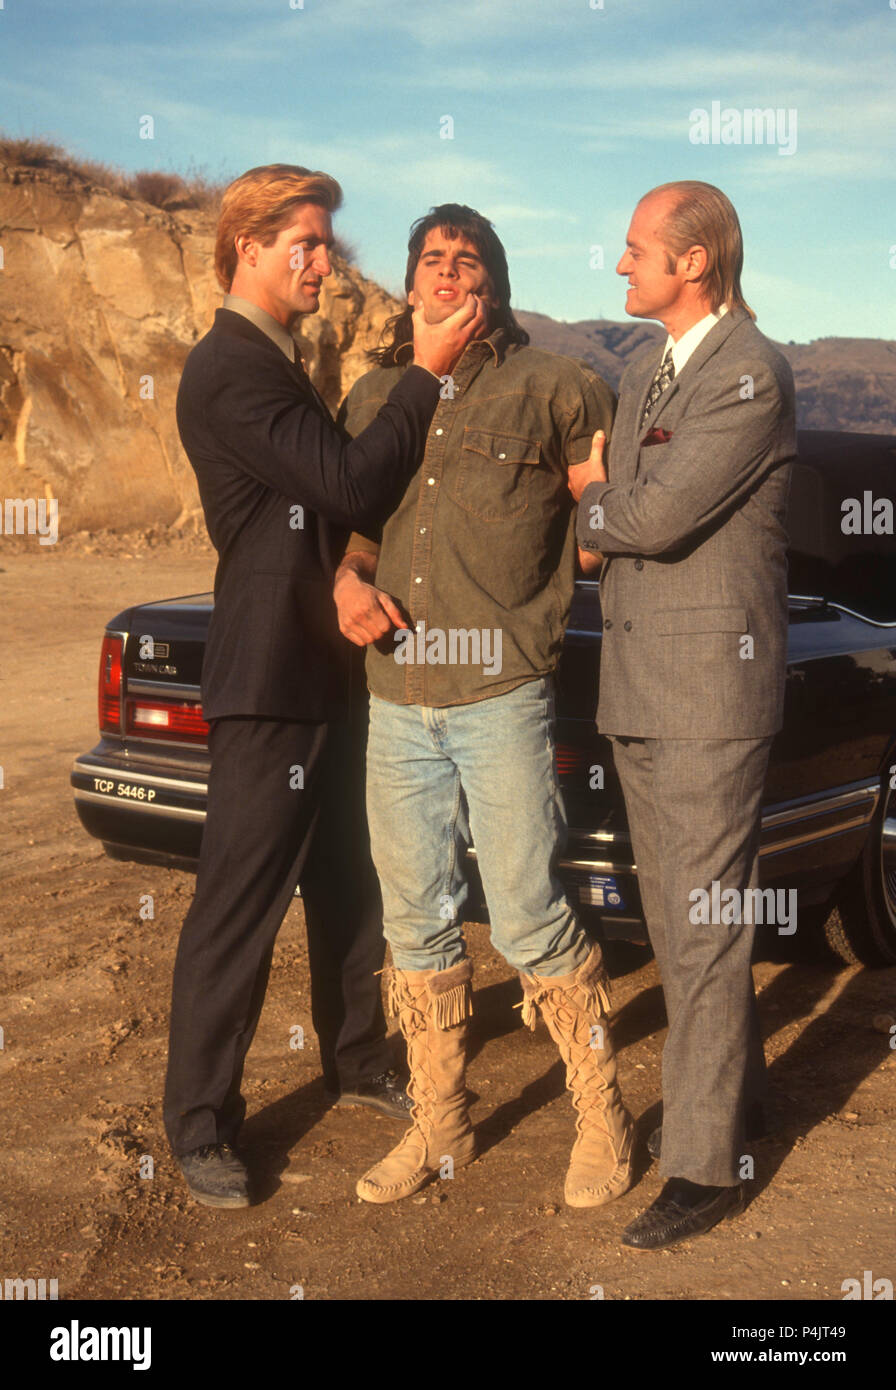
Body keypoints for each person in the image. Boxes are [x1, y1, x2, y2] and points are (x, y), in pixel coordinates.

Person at [164, 165, 484, 1207]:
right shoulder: (229, 367)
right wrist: (426, 374)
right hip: (265, 677)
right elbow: (347, 484)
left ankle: (357, 1057)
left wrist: (339, 577)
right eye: (302, 241)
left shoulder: (279, 362)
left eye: (326, 242)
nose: (322, 260)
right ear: (245, 247)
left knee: (350, 884)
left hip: (325, 661)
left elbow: (305, 517)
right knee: (238, 905)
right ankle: (200, 1122)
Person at [333, 204, 632, 1210]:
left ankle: (602, 1117)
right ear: (411, 282)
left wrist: (592, 533)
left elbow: (600, 513)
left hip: (499, 692)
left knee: (527, 919)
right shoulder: (376, 392)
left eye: (467, 260)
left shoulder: (556, 384)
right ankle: (438, 1122)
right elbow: (356, 530)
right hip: (394, 697)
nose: (447, 272)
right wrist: (343, 578)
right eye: (430, 259)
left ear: (491, 284)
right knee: (415, 927)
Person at [570, 180, 796, 1249]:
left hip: (708, 693)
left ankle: (703, 1164)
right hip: (640, 687)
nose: (619, 267)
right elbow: (627, 504)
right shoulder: (639, 369)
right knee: (675, 923)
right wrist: (606, 499)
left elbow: (649, 516)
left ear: (693, 259)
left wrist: (588, 498)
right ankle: (738, 1094)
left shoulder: (748, 370)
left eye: (633, 250)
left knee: (702, 931)